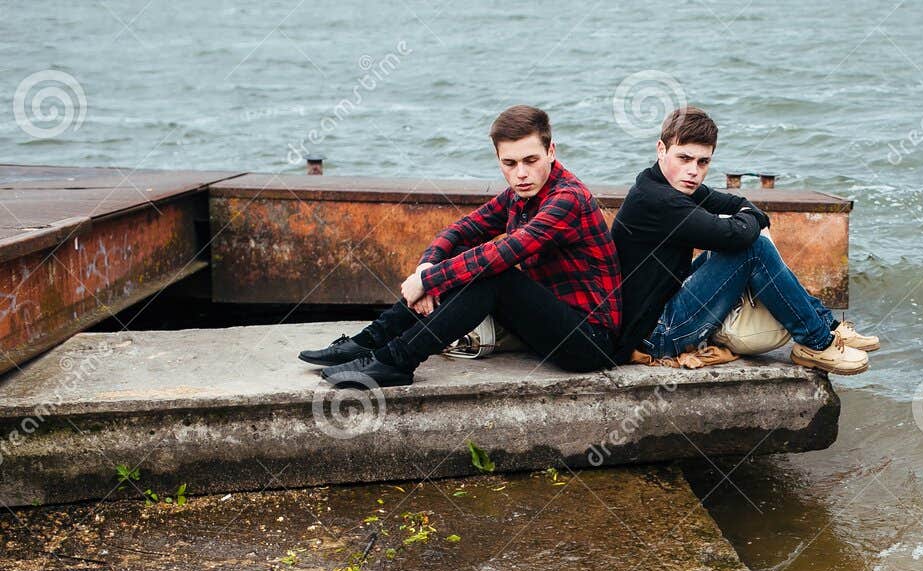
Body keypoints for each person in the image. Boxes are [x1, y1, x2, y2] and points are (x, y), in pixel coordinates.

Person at [298, 105, 621, 387]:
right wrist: (427, 266)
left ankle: (396, 362)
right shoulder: (521, 194)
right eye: (509, 163)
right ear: (498, 159)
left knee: (496, 274)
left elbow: (506, 252)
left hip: (588, 341)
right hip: (545, 327)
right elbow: (463, 229)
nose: (521, 173)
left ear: (551, 152)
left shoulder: (567, 199)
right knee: (472, 268)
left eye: (531, 160)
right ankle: (369, 342)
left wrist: (428, 280)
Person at [610, 106, 877, 375]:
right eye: (684, 158)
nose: (693, 171)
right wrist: (753, 218)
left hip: (660, 309)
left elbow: (737, 203)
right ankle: (818, 342)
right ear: (661, 150)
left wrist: (751, 215)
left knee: (746, 246)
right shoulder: (658, 200)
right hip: (654, 335)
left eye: (703, 162)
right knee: (753, 249)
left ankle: (826, 326)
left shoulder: (667, 184)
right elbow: (737, 234)